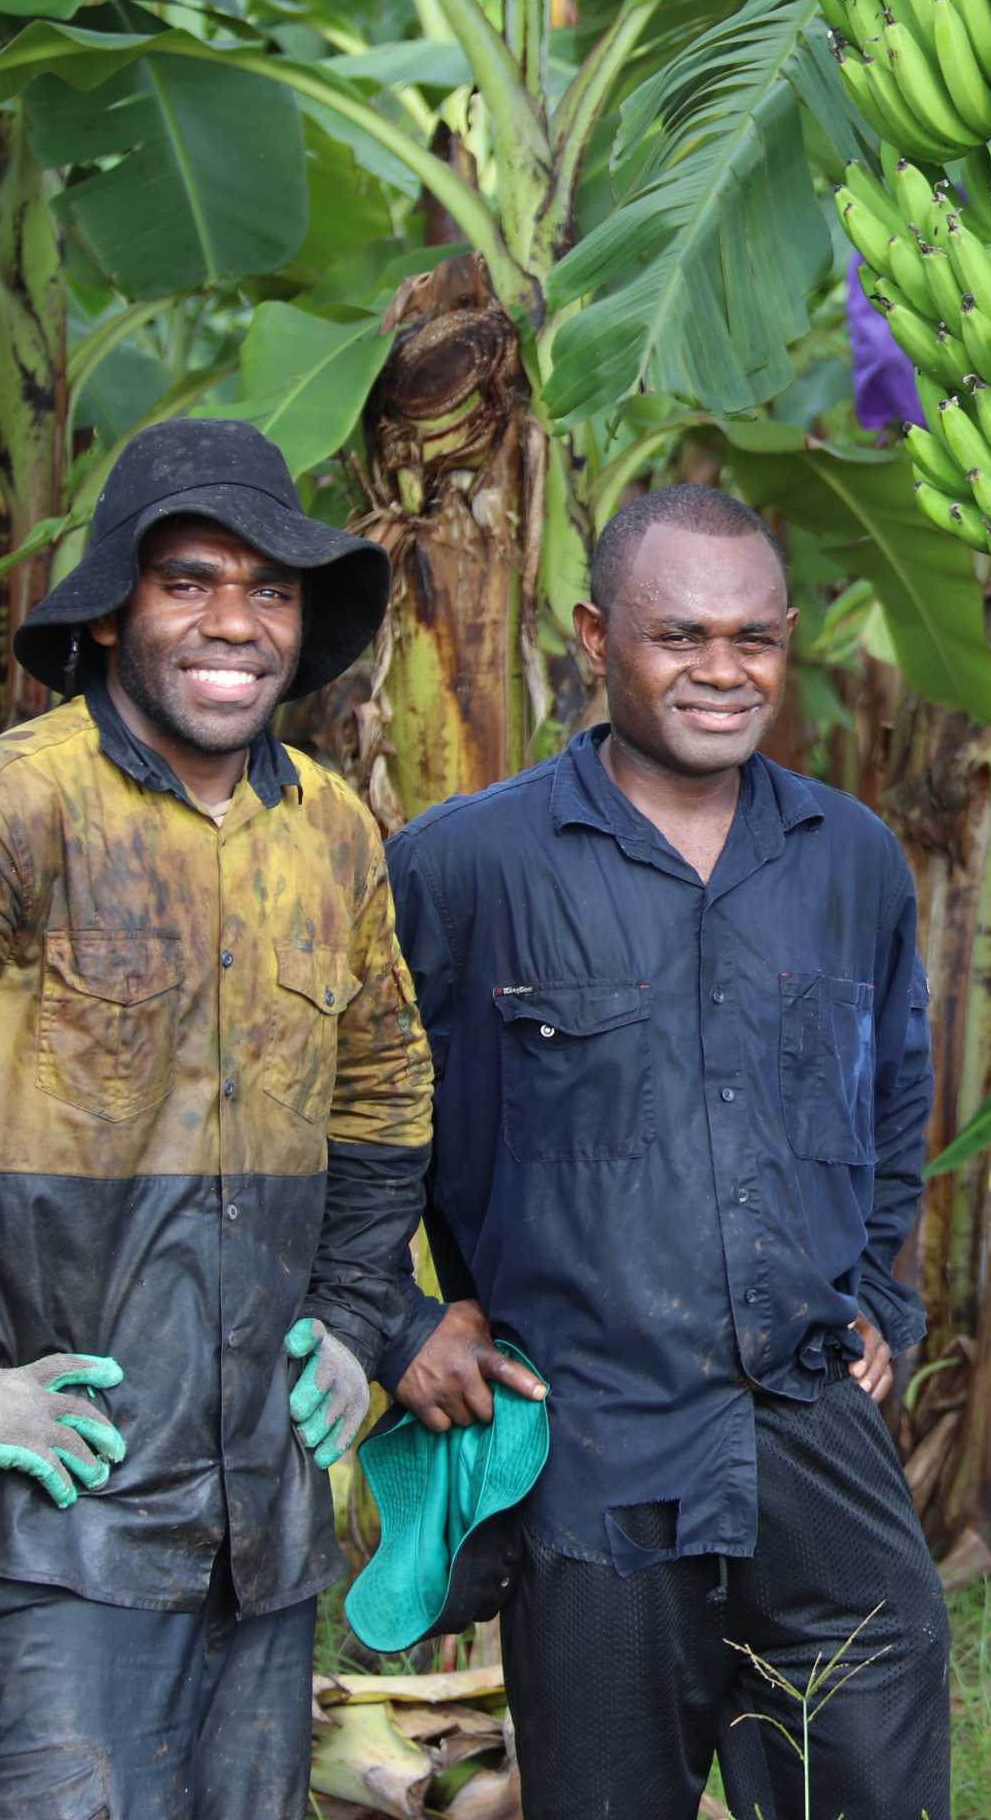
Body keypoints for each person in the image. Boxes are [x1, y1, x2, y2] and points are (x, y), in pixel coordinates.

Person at [0, 419, 438, 1818]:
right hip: (63, 1517)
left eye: (271, 590)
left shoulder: (333, 832)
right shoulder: (3, 811)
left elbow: (384, 1096)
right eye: (190, 581)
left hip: (268, 1511)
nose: (233, 622)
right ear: (117, 607)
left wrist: (361, 1325)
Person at [376, 485, 949, 1820]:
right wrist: (398, 1320)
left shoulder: (847, 858)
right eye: (679, 635)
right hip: (593, 1447)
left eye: (754, 639)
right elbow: (351, 1119)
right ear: (594, 636)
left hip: (810, 1429)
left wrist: (882, 1292)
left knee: (870, 1772)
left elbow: (891, 1093)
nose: (722, 670)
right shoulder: (467, 865)